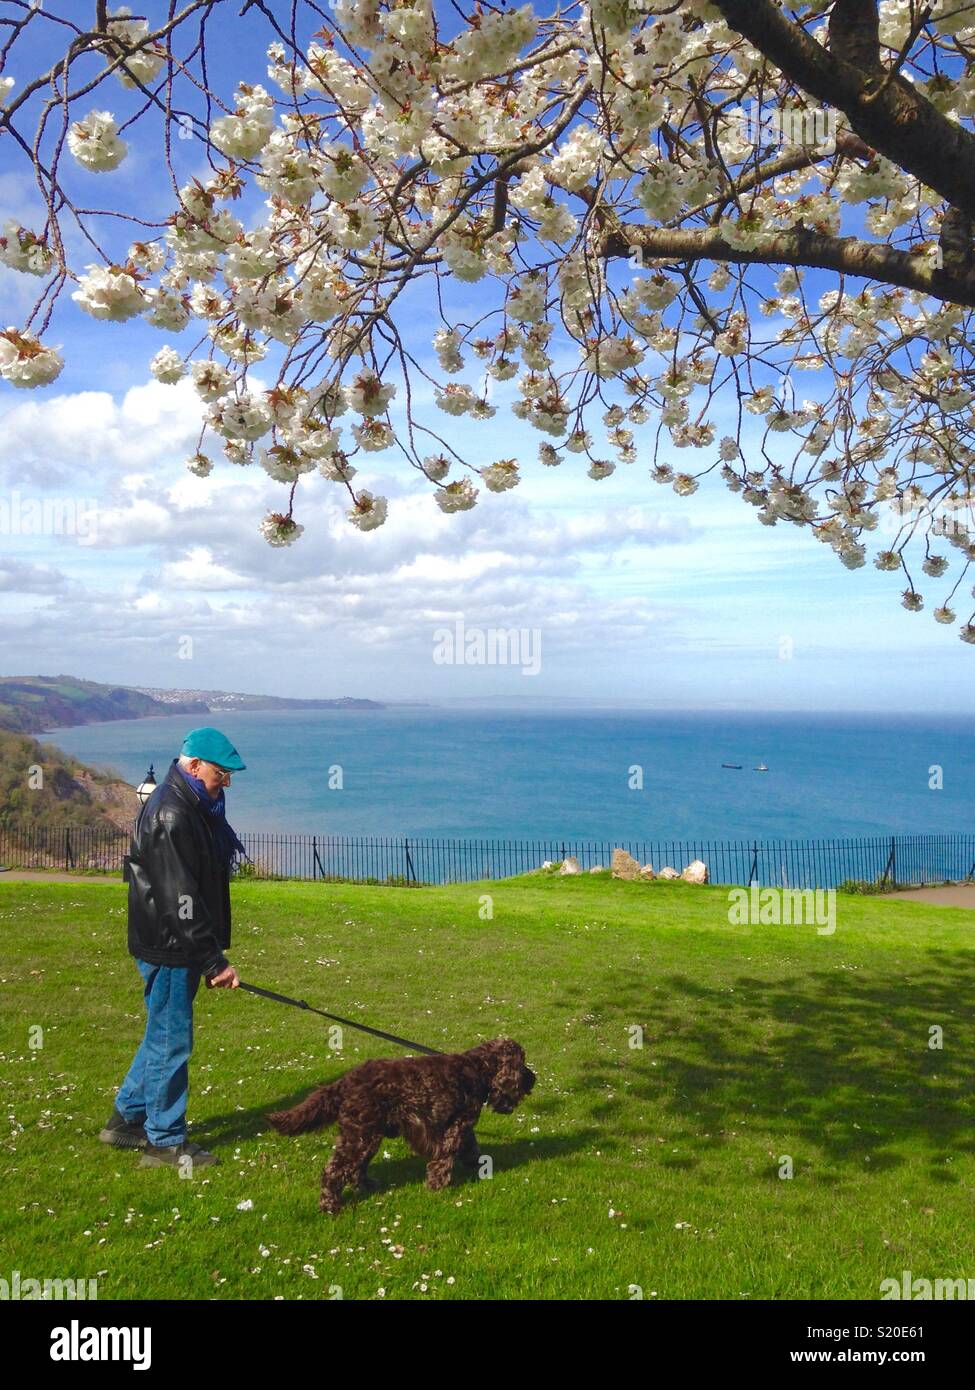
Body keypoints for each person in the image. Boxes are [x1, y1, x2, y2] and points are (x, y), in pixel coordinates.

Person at [99, 727, 247, 1169]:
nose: (226, 782)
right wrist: (212, 960)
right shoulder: (172, 814)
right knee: (171, 1041)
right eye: (222, 773)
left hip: (172, 943)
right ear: (194, 765)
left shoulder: (192, 804)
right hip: (170, 945)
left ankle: (125, 1119)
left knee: (161, 1034)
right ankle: (163, 1140)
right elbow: (179, 898)